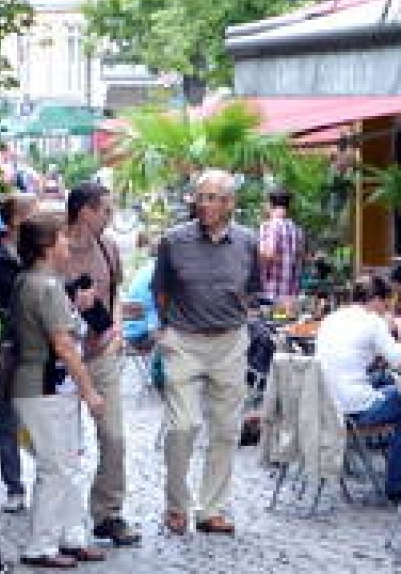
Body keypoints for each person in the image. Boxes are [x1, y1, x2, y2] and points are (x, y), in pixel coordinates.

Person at [153, 169, 262, 537]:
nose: (204, 204)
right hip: (184, 339)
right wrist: (166, 328)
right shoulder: (174, 241)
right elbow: (161, 290)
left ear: (230, 203)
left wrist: (238, 319)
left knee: (226, 430)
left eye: (213, 197)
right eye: (201, 196)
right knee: (183, 425)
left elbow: (252, 290)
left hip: (229, 341)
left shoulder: (248, 242)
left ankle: (211, 509)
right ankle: (176, 505)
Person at [9, 213, 108, 568]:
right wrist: (90, 391)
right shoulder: (46, 286)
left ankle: (70, 536)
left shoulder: (32, 281)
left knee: (66, 464)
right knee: (56, 468)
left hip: (43, 386)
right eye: (63, 239)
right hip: (45, 387)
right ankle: (41, 545)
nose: (68, 244)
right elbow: (64, 346)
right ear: (48, 246)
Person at [62, 182, 140, 547]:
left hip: (101, 353)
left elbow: (115, 294)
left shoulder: (108, 247)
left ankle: (107, 513)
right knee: (63, 447)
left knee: (114, 436)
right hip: (61, 359)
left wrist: (118, 327)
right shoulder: (54, 250)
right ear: (84, 211)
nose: (111, 218)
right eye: (105, 210)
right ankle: (64, 518)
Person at [315, 274, 401, 502]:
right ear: (375, 300)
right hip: (352, 409)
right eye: (385, 303)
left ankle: (396, 465)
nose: (385, 309)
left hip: (325, 403)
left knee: (387, 382)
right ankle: (396, 484)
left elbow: (352, 359)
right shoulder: (374, 322)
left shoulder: (331, 318)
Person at [0, 191, 36, 513]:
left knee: (42, 415)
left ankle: (46, 479)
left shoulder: (38, 252)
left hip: (37, 345)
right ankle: (14, 486)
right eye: (30, 212)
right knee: (8, 420)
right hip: (8, 348)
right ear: (13, 220)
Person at [257, 186, 304, 313]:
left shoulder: (269, 225)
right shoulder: (296, 229)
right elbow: (299, 260)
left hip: (270, 297)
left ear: (270, 204)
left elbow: (268, 254)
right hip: (291, 299)